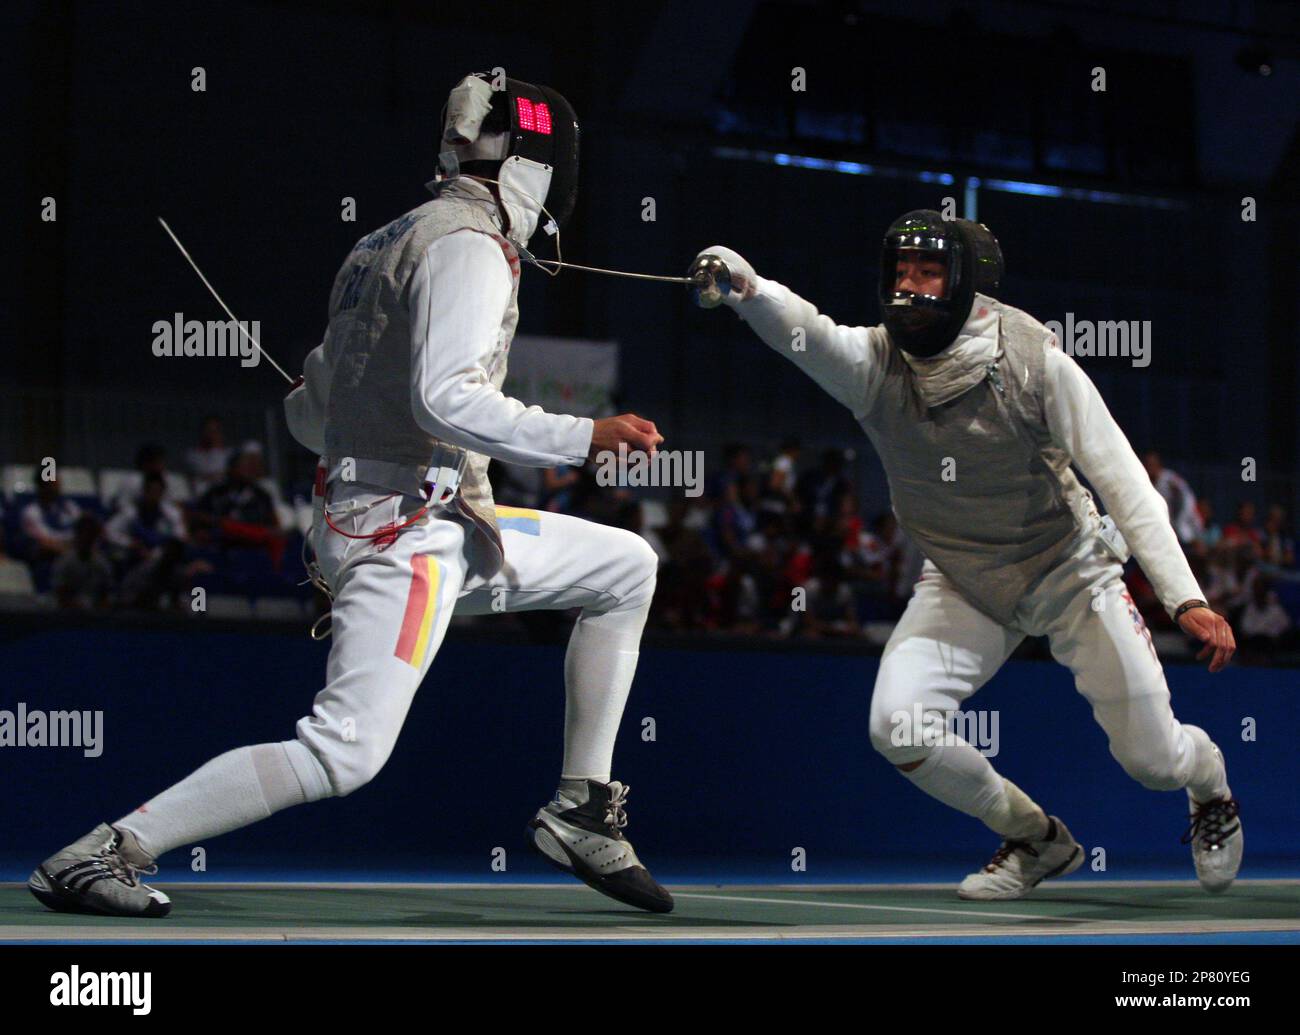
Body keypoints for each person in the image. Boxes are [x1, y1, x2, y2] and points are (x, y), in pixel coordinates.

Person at [30, 72, 671, 919]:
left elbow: (308, 419)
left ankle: (581, 806)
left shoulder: (378, 245)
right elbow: (448, 400)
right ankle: (105, 850)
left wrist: (330, 393)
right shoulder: (471, 247)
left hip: (434, 514)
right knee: (345, 751)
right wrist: (585, 435)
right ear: (533, 165)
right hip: (404, 535)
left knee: (627, 565)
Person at [690, 210, 1241, 899]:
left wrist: (1185, 595)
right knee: (897, 724)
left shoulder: (1036, 360)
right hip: (962, 578)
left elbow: (1124, 480)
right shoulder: (877, 364)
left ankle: (1210, 784)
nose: (909, 287)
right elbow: (810, 337)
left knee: (1154, 760)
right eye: (901, 271)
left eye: (927, 272)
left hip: (1070, 568)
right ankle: (1036, 836)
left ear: (967, 285)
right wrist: (746, 288)